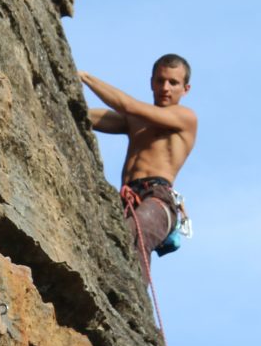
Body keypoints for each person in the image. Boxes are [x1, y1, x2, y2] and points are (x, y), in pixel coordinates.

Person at [79, 54, 198, 259]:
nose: (165, 88)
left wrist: (85, 78)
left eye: (173, 83)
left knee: (133, 236)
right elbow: (86, 115)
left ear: (185, 89)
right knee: (112, 242)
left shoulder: (185, 117)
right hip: (127, 197)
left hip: (157, 196)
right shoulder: (136, 121)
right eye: (160, 80)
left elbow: (128, 106)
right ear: (152, 82)